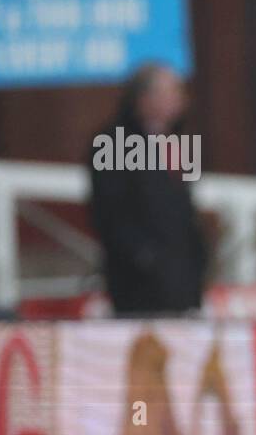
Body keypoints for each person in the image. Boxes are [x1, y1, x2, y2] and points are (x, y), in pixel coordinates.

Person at [87, 63, 208, 315]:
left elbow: (185, 211)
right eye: (170, 93)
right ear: (143, 99)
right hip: (137, 289)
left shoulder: (176, 141)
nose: (179, 101)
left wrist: (197, 263)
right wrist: (147, 259)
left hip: (183, 287)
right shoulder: (112, 143)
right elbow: (109, 213)